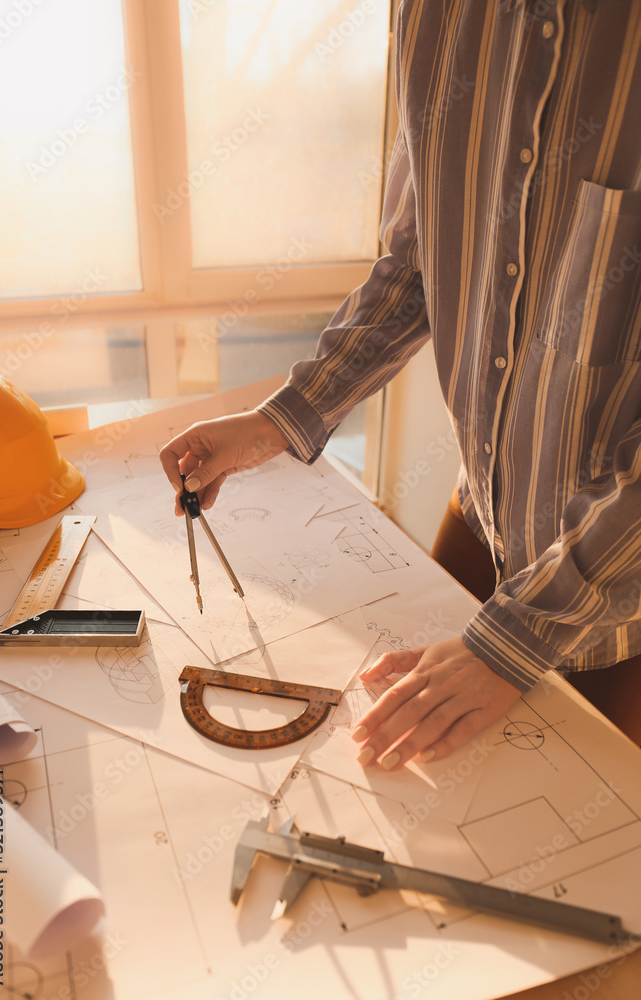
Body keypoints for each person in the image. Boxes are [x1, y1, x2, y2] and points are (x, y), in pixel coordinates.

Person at [161, 0, 641, 768]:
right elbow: (416, 269)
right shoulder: (432, 16)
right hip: (481, 521)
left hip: (617, 607)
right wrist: (276, 423)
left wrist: (510, 644)